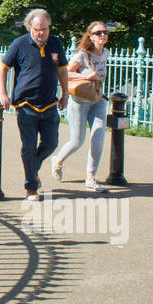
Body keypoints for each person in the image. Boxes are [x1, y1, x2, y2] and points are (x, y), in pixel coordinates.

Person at [0, 8, 69, 202]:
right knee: (28, 148)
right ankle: (31, 187)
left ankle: (32, 169)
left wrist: (65, 93)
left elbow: (62, 70)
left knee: (51, 143)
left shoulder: (55, 43)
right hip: (26, 105)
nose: (41, 33)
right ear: (30, 28)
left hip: (49, 103)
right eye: (37, 29)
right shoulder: (19, 44)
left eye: (45, 28)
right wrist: (3, 93)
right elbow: (3, 68)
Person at [49, 22, 114, 192]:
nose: (102, 35)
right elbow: (65, 73)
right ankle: (58, 161)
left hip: (97, 99)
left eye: (105, 32)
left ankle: (91, 177)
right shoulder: (82, 55)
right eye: (98, 33)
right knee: (77, 141)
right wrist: (87, 77)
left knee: (98, 136)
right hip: (78, 101)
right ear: (91, 36)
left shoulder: (105, 52)